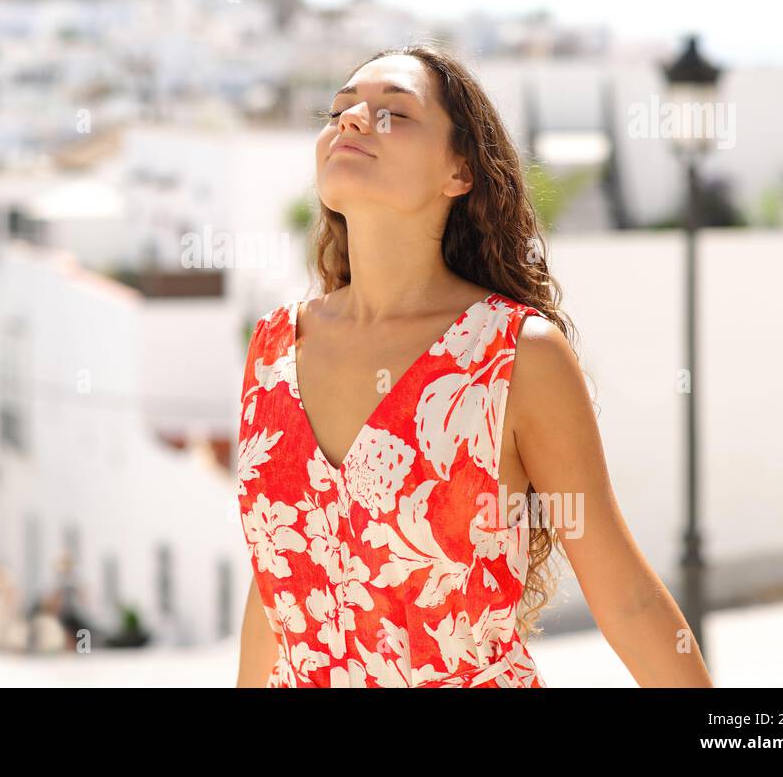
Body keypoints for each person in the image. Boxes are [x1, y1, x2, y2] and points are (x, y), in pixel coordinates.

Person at [234, 41, 713, 688]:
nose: (351, 121)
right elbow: (276, 582)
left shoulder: (515, 357)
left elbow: (626, 599)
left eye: (392, 114)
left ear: (459, 171)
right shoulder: (272, 350)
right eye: (339, 109)